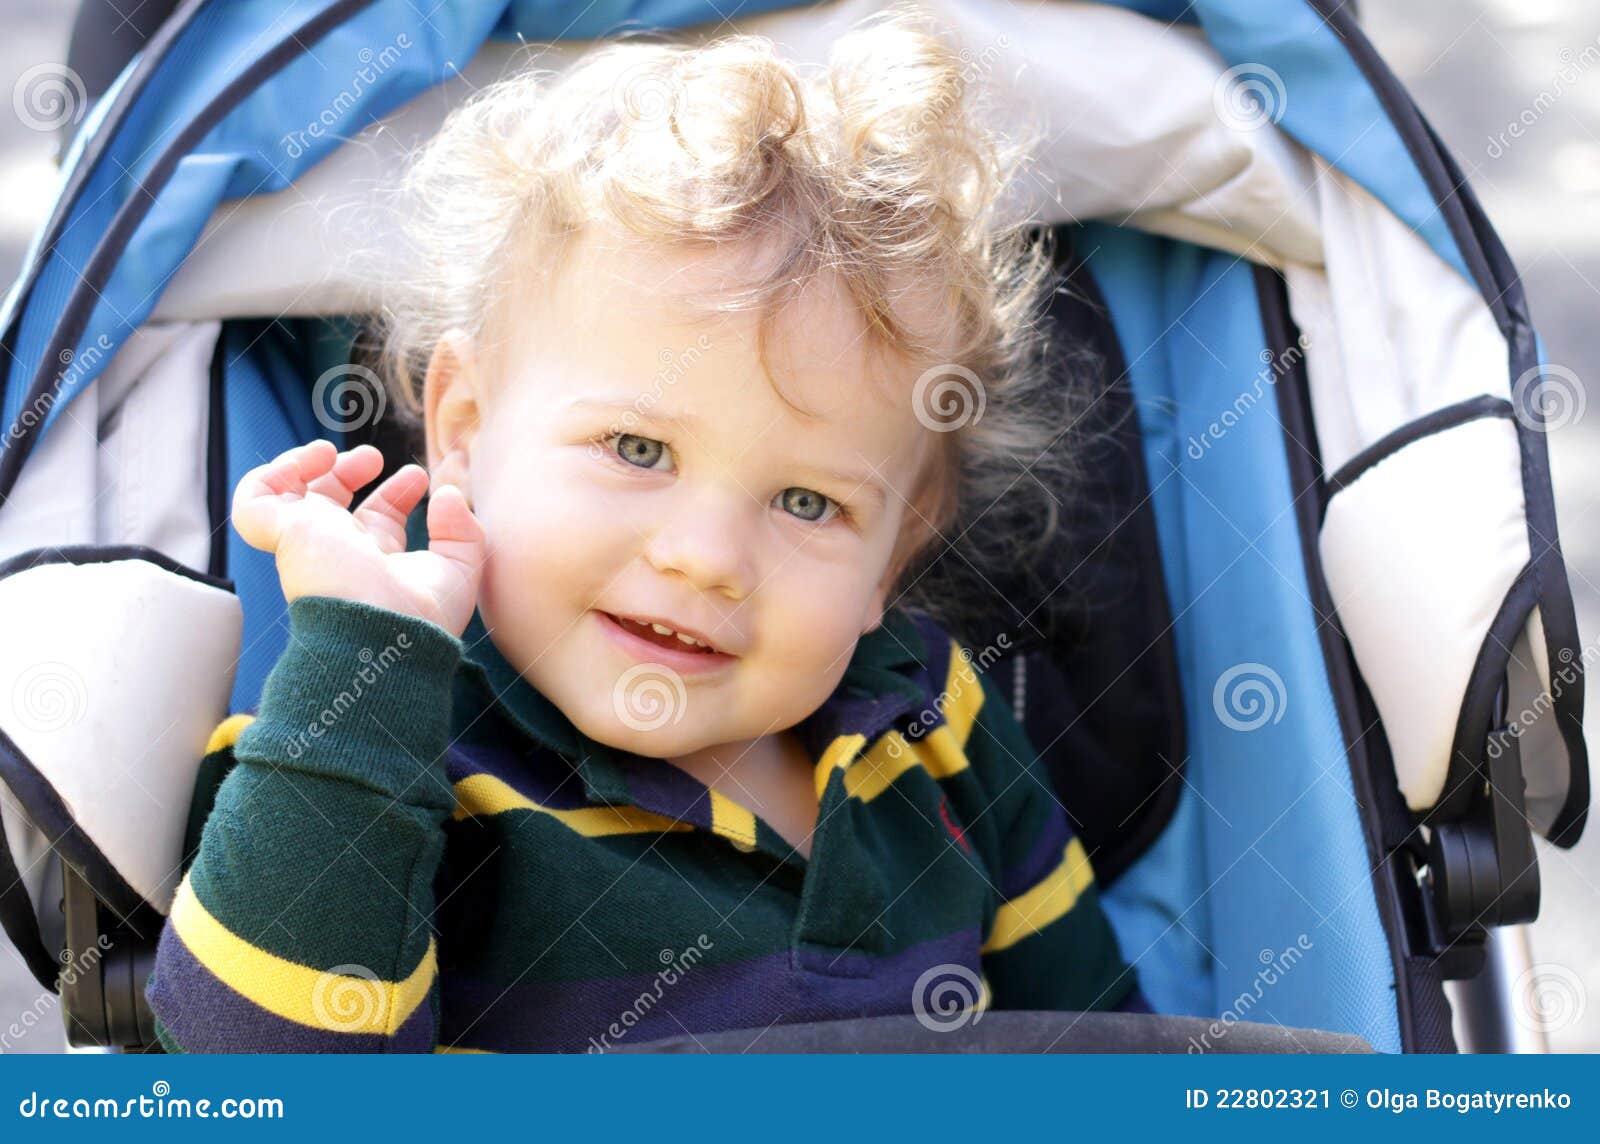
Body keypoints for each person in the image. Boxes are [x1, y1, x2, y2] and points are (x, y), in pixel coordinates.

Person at [144, 3, 1146, 1052]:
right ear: (465, 427)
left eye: (809, 503)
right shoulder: (376, 745)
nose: (704, 559)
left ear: (894, 552)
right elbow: (258, 1082)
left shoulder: (935, 725)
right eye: (636, 448)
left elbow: (1101, 1051)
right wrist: (360, 660)